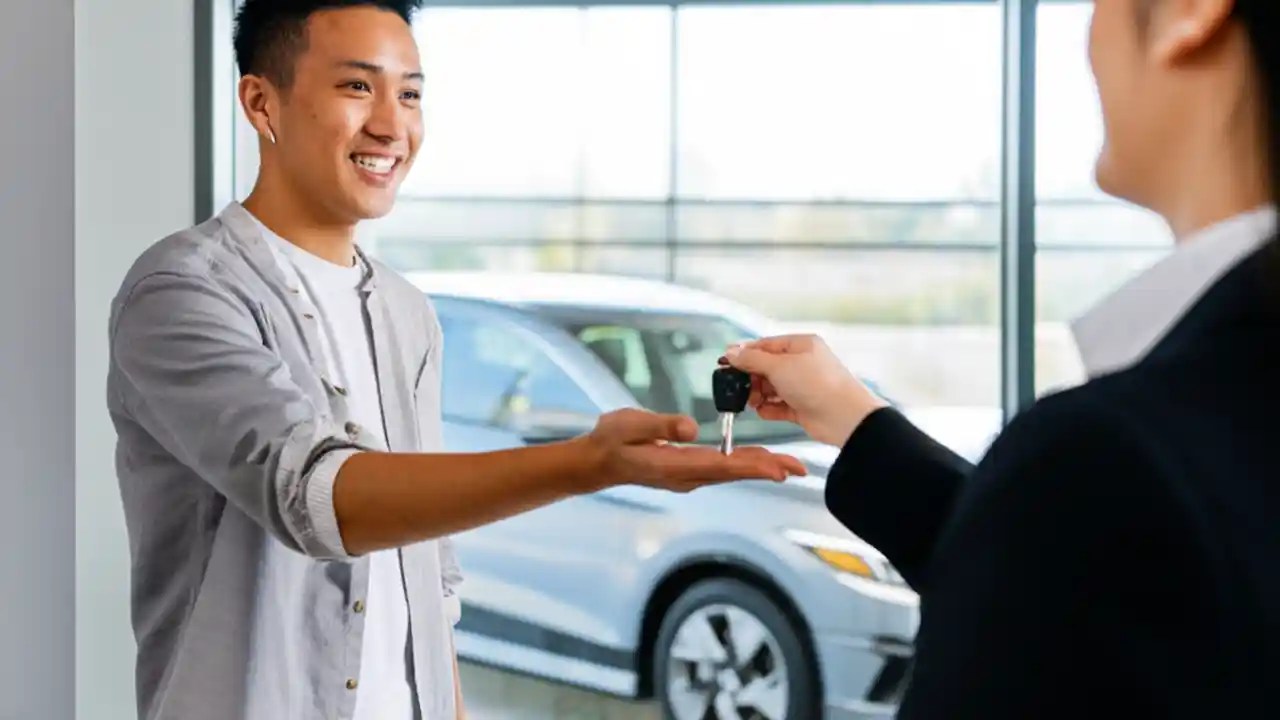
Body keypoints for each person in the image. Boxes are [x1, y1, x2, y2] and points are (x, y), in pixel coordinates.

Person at [105, 2, 804, 720]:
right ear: (260, 101)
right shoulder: (182, 292)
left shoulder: (408, 313)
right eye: (357, 87)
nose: (391, 125)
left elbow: (427, 578)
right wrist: (589, 463)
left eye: (409, 93)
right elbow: (318, 501)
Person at [724, 0, 1278, 717]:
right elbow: (1111, 582)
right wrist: (864, 428)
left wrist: (1035, 494)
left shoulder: (1109, 459)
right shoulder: (1169, 458)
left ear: (1190, 12)